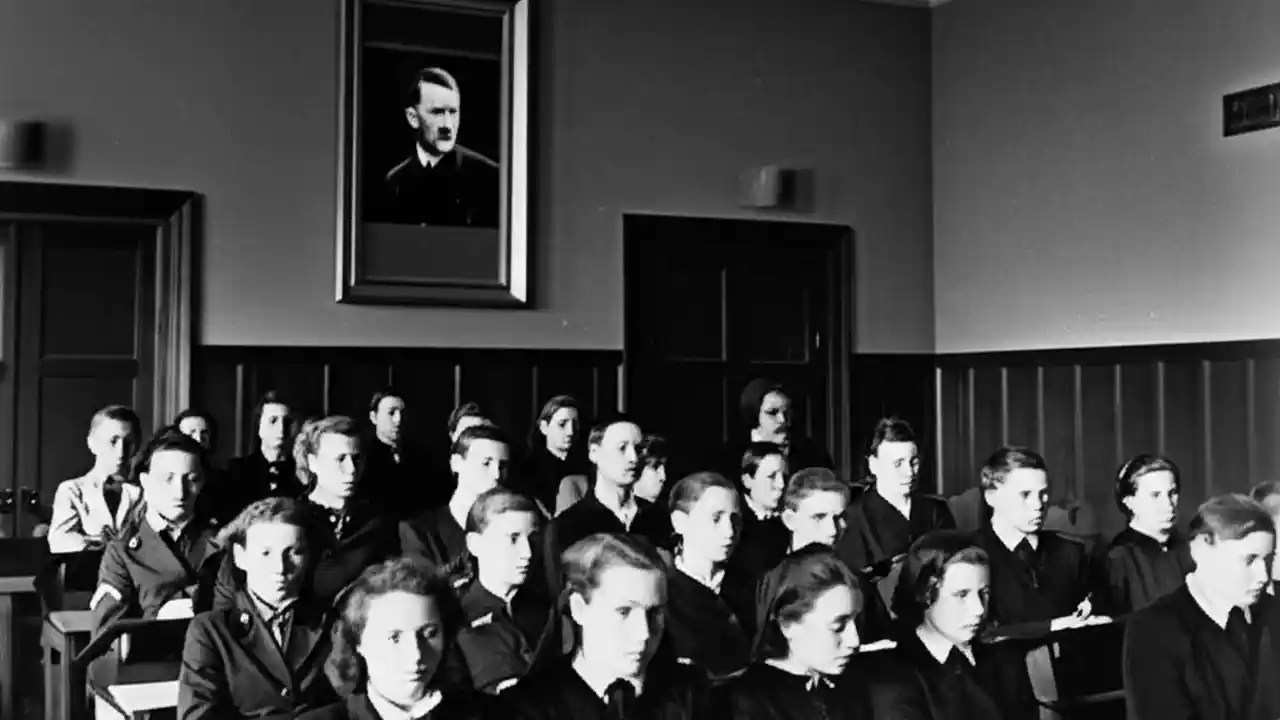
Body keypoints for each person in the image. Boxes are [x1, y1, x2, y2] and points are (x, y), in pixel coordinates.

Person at [499, 533, 716, 719]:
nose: (644, 632)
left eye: (654, 612)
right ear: (579, 608)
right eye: (624, 611)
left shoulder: (692, 694)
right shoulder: (526, 708)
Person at [1123, 494, 1280, 720]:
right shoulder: (1153, 631)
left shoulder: (1274, 613)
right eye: (1249, 560)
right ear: (1201, 551)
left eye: (1268, 559)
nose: (1263, 576)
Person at [178, 497, 337, 719]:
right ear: (240, 556)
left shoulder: (330, 623)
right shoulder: (211, 630)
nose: (280, 568)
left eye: (294, 552)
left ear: (309, 556)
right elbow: (199, 715)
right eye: (266, 553)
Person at [869, 530, 1037, 720]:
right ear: (925, 593)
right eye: (961, 595)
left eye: (984, 593)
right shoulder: (895, 674)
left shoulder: (1006, 659)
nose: (979, 609)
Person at [298, 557, 492, 720]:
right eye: (395, 637)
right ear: (359, 642)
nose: (416, 654)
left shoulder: (489, 713)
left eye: (430, 634)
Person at [91, 428, 219, 635]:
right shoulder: (122, 551)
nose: (180, 491)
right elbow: (109, 635)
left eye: (192, 479)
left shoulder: (222, 542)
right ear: (145, 481)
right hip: (152, 662)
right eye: (168, 479)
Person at [724, 546, 869, 720]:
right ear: (788, 625)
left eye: (856, 622)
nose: (854, 640)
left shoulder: (849, 690)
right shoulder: (745, 702)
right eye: (838, 627)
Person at [972, 447, 1099, 633]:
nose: (1038, 505)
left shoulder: (1072, 553)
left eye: (1043, 493)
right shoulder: (969, 555)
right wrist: (1054, 626)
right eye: (1025, 495)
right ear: (991, 496)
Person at [543, 416, 673, 594]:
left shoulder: (660, 518)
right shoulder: (568, 527)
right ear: (594, 453)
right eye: (622, 448)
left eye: (639, 449)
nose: (633, 458)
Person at [452, 489, 556, 694]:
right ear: (475, 544)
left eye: (532, 539)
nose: (527, 553)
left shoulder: (550, 611)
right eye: (513, 538)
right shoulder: (456, 618)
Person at [835, 417, 954, 574]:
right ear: (873, 464)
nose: (909, 472)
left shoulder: (936, 511)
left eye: (914, 462)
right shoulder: (854, 518)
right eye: (898, 463)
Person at [383, 67, 498, 227]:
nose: (447, 125)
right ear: (413, 118)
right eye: (437, 112)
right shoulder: (395, 182)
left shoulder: (489, 178)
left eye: (453, 112)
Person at [662, 472, 750, 679]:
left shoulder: (751, 586)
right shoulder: (661, 592)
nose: (729, 531)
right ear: (679, 522)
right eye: (716, 518)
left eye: (735, 519)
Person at [401, 425, 511, 570]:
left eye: (502, 466)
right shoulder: (420, 530)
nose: (496, 475)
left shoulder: (513, 529)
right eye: (486, 463)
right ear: (457, 463)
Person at [1099, 454, 1193, 615]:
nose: (1168, 505)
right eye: (1155, 495)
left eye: (1172, 493)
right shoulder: (1117, 558)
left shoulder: (1190, 548)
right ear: (1129, 502)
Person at [48, 405, 144, 553]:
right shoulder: (73, 490)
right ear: (92, 444)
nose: (121, 452)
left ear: (137, 445)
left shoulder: (146, 492)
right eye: (113, 441)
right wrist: (105, 545)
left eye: (128, 442)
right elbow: (60, 539)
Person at [214, 391, 298, 524]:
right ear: (259, 426)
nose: (281, 429)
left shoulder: (300, 473)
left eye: (287, 422)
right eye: (273, 421)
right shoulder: (237, 471)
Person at [725, 379, 832, 479]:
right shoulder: (731, 458)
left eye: (786, 412)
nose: (782, 420)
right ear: (753, 415)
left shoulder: (813, 455)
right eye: (772, 412)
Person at [723, 443, 790, 601]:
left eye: (784, 477)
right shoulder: (730, 522)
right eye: (771, 476)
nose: (781, 485)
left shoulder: (787, 521)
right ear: (748, 480)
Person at [519, 396, 587, 514]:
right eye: (562, 424)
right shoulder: (530, 469)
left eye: (575, 424)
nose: (570, 431)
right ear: (544, 427)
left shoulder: (586, 465)